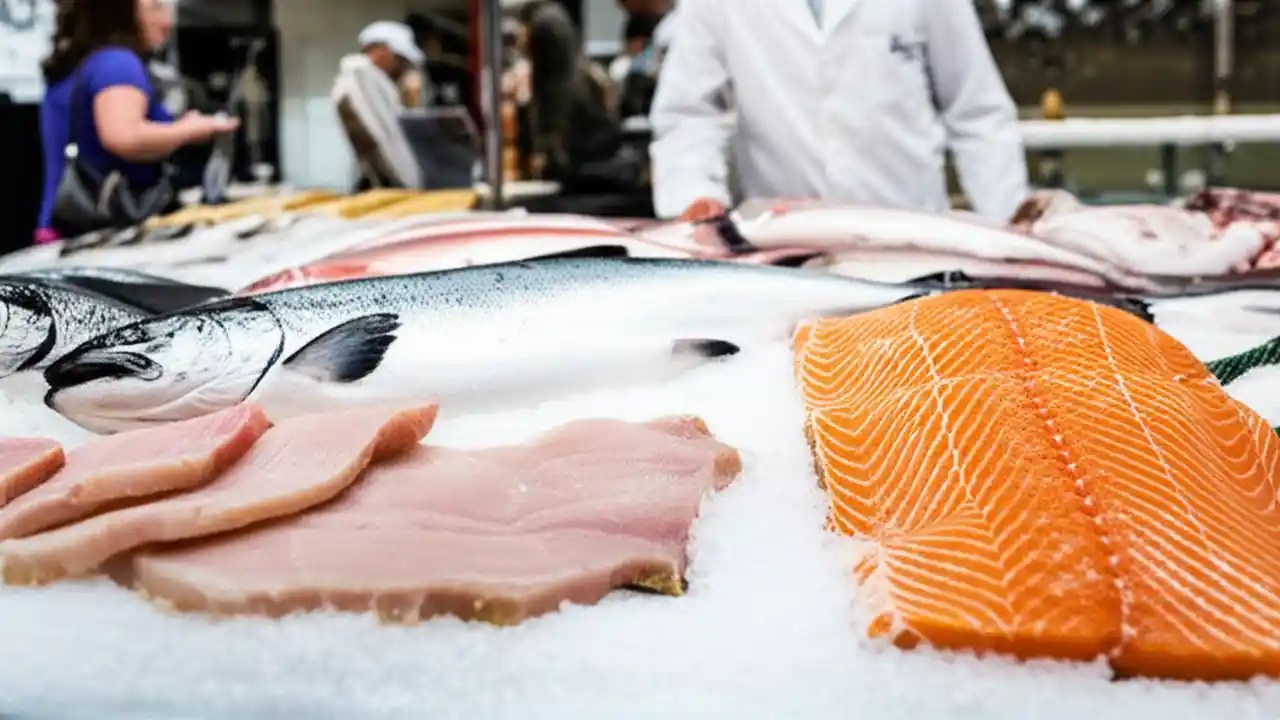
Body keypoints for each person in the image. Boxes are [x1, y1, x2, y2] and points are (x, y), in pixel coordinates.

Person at [649, 0, 1029, 223]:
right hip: (785, 248)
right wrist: (694, 193)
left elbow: (977, 112)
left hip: (915, 239)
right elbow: (688, 113)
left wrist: (1009, 224)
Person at [35, 0, 238, 242]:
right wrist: (188, 130)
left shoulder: (80, 62)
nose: (167, 21)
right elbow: (123, 137)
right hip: (99, 230)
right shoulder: (117, 63)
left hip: (62, 225)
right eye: (155, 7)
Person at [356, 21, 426, 108]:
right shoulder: (373, 82)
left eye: (374, 51)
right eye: (366, 52)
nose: (370, 59)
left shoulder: (411, 82)